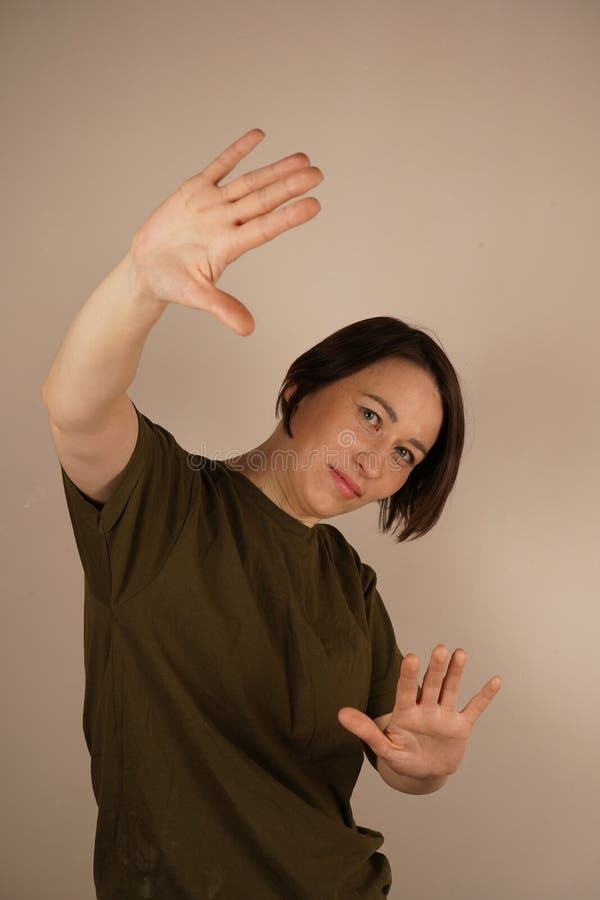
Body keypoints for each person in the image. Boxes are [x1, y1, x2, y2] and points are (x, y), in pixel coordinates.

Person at [42, 127, 502, 900]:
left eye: (406, 454)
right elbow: (77, 407)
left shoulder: (350, 584)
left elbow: (395, 754)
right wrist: (139, 282)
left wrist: (426, 769)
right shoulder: (169, 499)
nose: (375, 458)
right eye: (370, 414)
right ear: (300, 388)